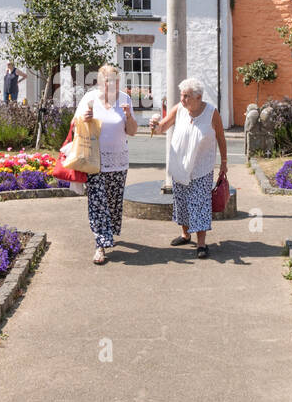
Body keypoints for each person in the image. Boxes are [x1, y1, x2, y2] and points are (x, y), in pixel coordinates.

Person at [150, 77, 228, 259]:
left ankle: (201, 244)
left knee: (200, 204)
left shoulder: (211, 113)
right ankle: (185, 235)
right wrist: (155, 126)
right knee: (182, 202)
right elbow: (163, 127)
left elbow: (221, 138)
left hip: (202, 166)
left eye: (186, 96)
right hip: (180, 164)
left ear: (198, 97)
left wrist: (224, 162)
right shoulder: (179, 109)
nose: (182, 99)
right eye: (182, 96)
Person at [74, 64, 137, 265]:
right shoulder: (90, 98)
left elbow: (133, 131)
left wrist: (128, 116)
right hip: (95, 160)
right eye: (109, 80)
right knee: (98, 202)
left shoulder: (125, 99)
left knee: (113, 202)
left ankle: (108, 232)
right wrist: (84, 118)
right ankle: (100, 245)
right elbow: (75, 123)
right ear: (101, 82)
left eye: (117, 80)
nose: (114, 84)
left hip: (119, 161)